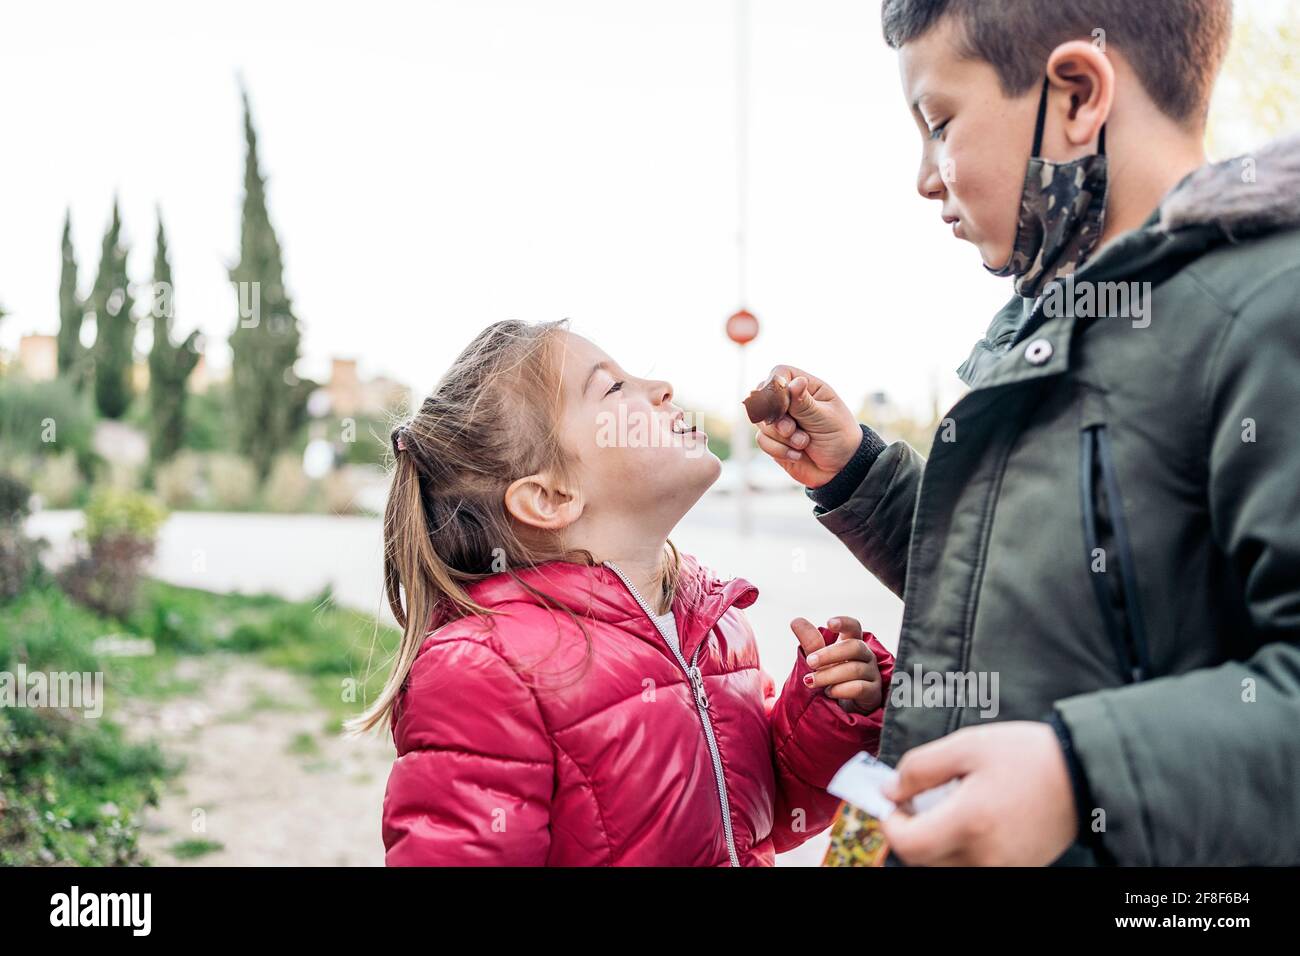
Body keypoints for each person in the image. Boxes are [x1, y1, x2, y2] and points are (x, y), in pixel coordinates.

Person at [754, 0, 1300, 865]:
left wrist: (1082, 777)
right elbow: (1009, 584)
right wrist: (857, 472)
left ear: (1079, 95)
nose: (925, 178)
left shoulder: (1269, 315)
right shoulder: (1038, 330)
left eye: (939, 124)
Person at [351, 319, 894, 865]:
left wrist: (828, 715)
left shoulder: (714, 624)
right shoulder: (485, 670)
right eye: (612, 387)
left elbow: (753, 818)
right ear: (550, 497)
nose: (661, 389)